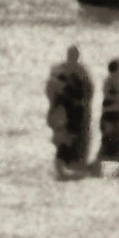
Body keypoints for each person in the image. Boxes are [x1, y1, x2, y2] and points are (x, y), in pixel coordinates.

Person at [44, 45, 96, 179]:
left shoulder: (81, 71)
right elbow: (51, 90)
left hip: (77, 112)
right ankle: (62, 168)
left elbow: (89, 91)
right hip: (64, 112)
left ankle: (75, 165)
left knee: (78, 139)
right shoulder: (60, 71)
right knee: (64, 140)